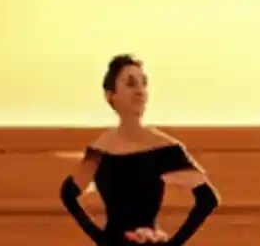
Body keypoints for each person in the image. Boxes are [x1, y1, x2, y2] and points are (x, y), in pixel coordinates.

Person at [59, 54, 221, 245]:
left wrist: (173, 244)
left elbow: (208, 199)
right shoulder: (99, 150)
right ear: (111, 96)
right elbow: (68, 194)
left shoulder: (163, 146)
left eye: (143, 84)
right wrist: (100, 238)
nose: (140, 91)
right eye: (130, 83)